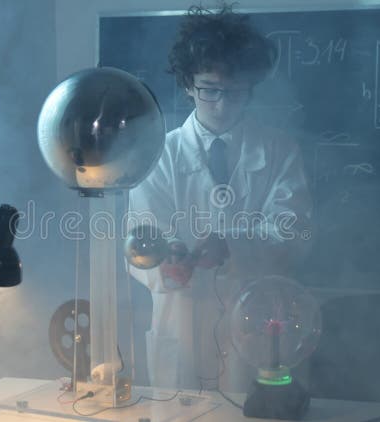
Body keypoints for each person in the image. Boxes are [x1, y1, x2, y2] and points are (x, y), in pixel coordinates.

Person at [128, 5, 313, 392]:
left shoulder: (280, 150)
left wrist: (232, 244)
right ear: (187, 84)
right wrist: (166, 262)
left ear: (251, 85)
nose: (222, 103)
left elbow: (293, 231)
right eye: (209, 90)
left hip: (258, 325)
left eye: (236, 92)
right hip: (182, 322)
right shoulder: (159, 154)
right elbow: (141, 238)